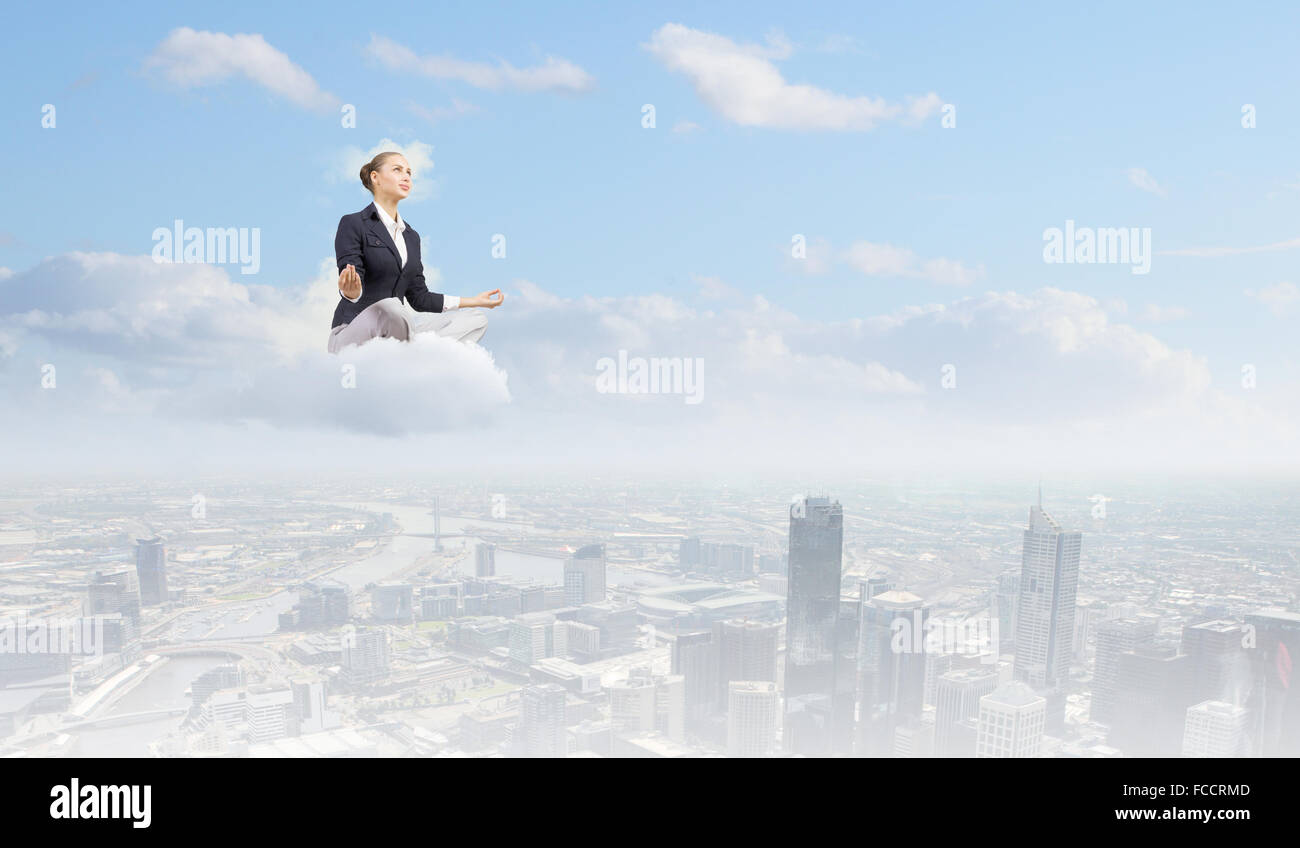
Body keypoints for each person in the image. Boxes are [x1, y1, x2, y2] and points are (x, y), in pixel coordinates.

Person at [327, 151, 504, 353]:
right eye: (397, 170)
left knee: (475, 320)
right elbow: (351, 273)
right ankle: (410, 352)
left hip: (397, 335)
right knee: (392, 308)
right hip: (353, 331)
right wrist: (351, 292)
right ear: (375, 177)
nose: (406, 177)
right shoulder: (354, 223)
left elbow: (419, 297)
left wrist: (474, 301)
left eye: (409, 172)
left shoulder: (411, 237)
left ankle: (410, 354)